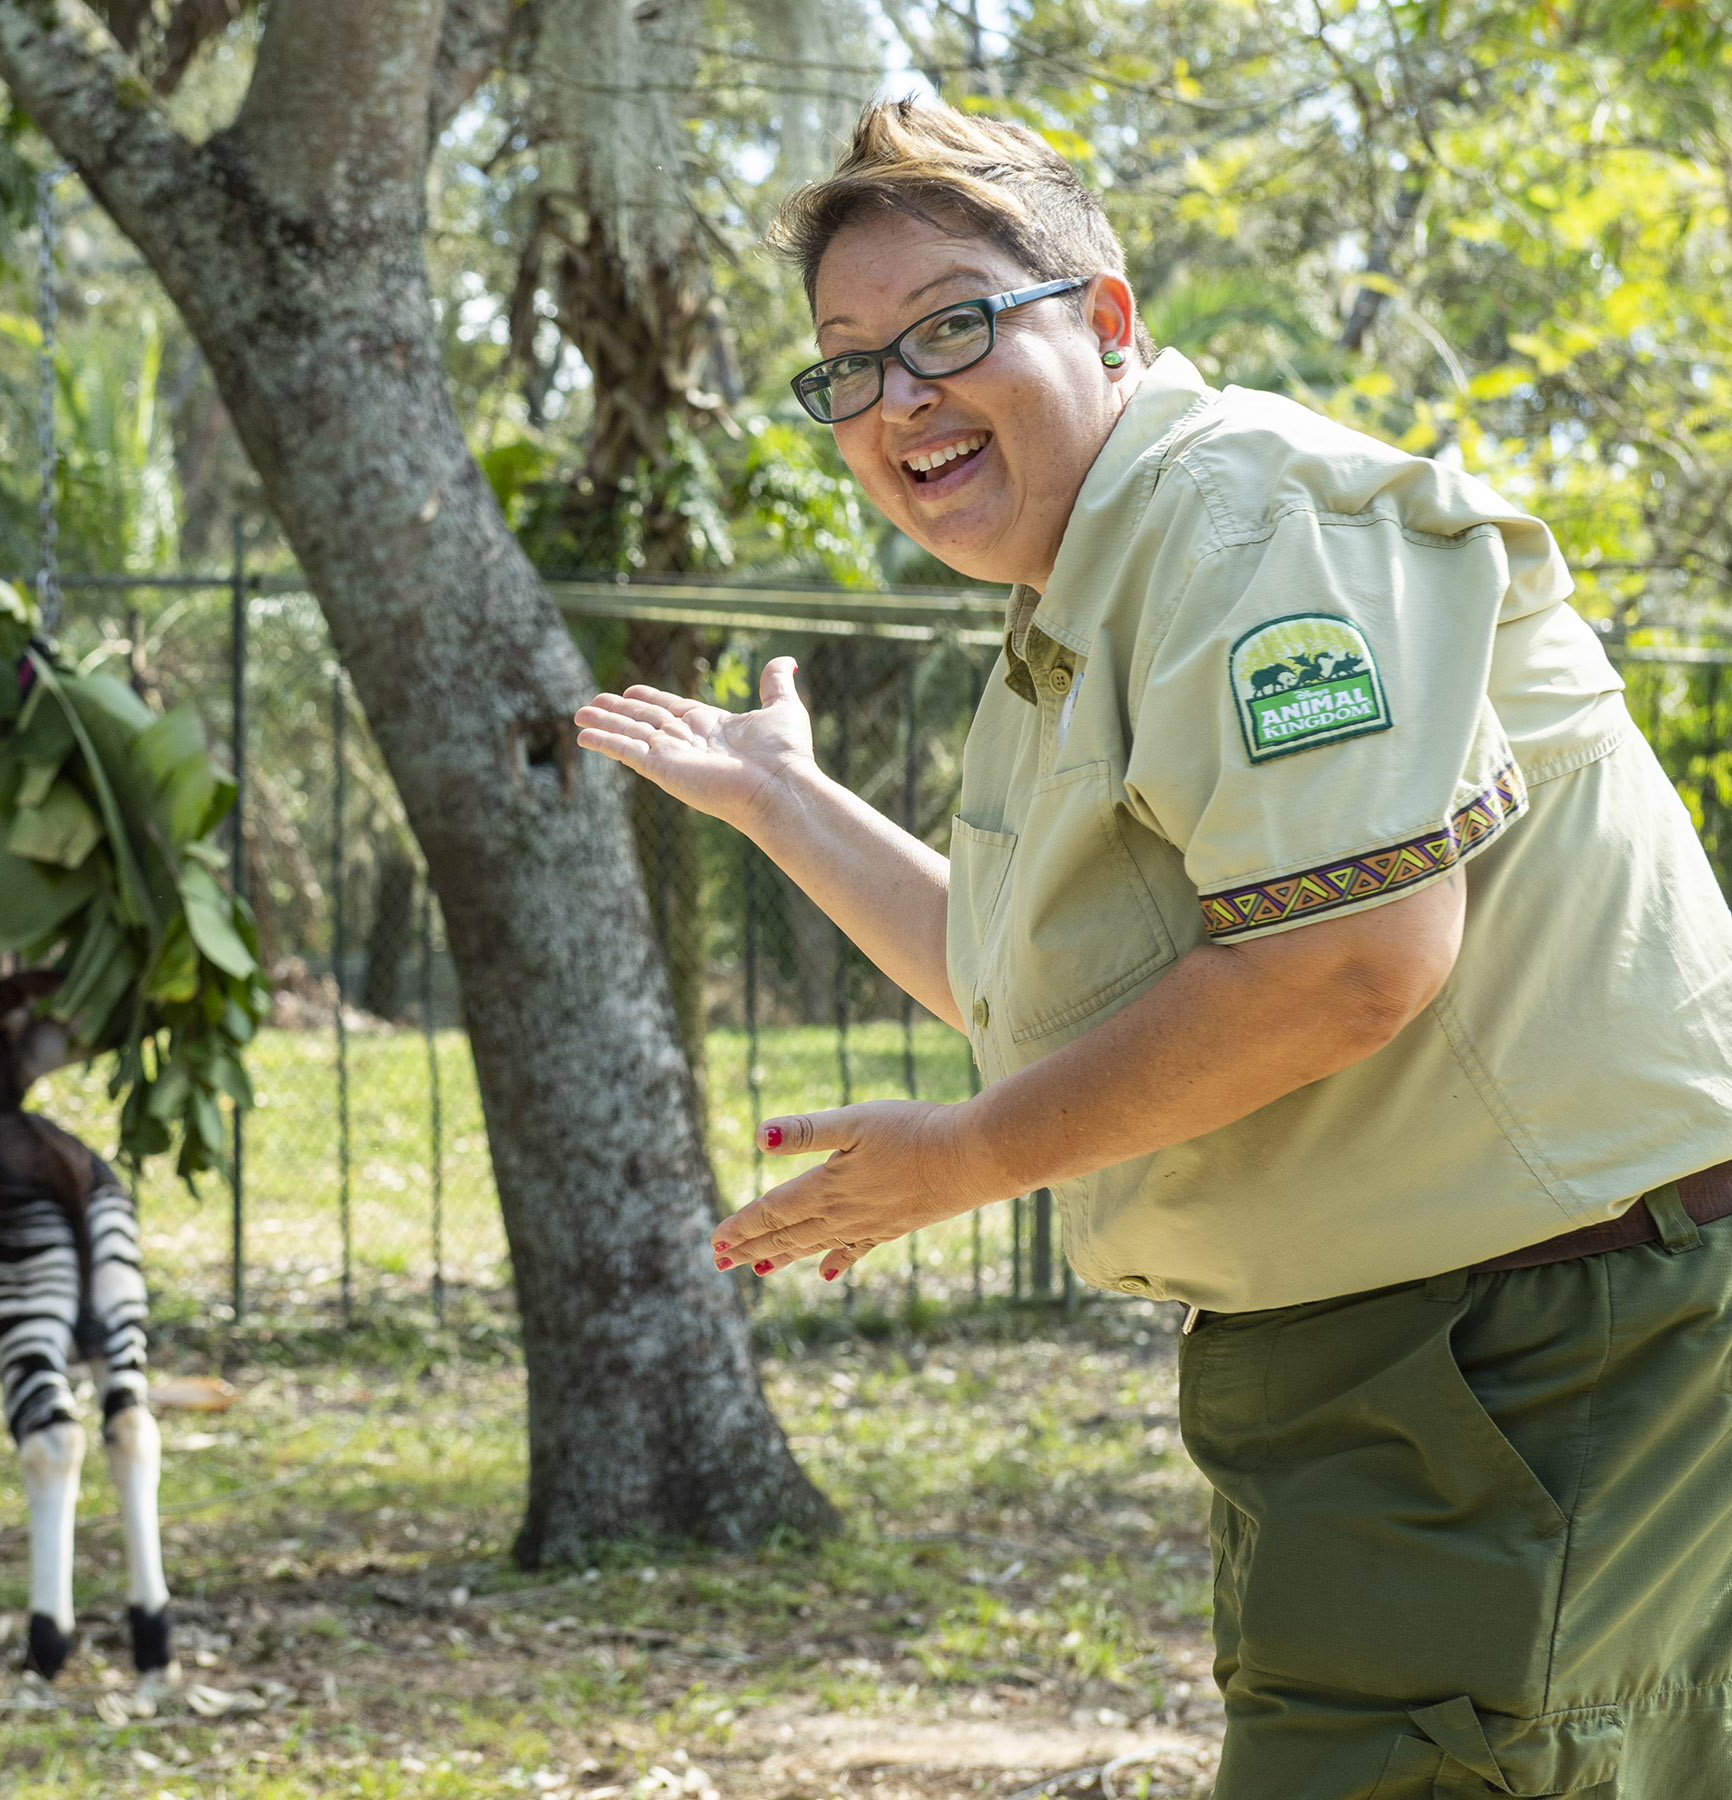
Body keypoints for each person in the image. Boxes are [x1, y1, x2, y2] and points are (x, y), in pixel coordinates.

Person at [577, 97, 1732, 1797]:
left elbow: (1353, 957)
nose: (898, 398)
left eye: (952, 326)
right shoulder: (1099, 587)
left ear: (1106, 320)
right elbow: (1055, 994)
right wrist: (785, 805)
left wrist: (966, 1159)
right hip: (1412, 1362)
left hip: (1545, 1347)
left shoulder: (1240, 522)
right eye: (848, 366)